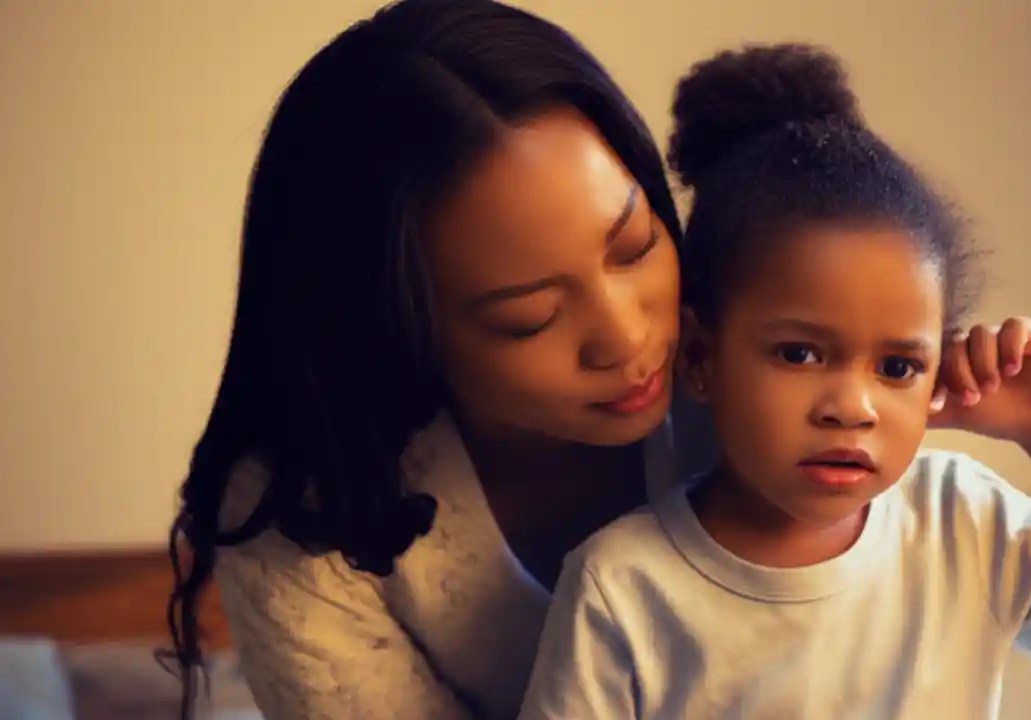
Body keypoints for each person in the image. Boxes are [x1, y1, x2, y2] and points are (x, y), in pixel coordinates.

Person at [519, 44, 1031, 719]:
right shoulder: (623, 585)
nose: (851, 408)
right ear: (700, 358)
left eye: (897, 368)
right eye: (798, 354)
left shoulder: (961, 524)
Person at [165, 1, 692, 717]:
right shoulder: (307, 523)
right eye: (528, 317)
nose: (627, 339)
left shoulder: (774, 365)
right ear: (394, 326)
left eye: (634, 247)